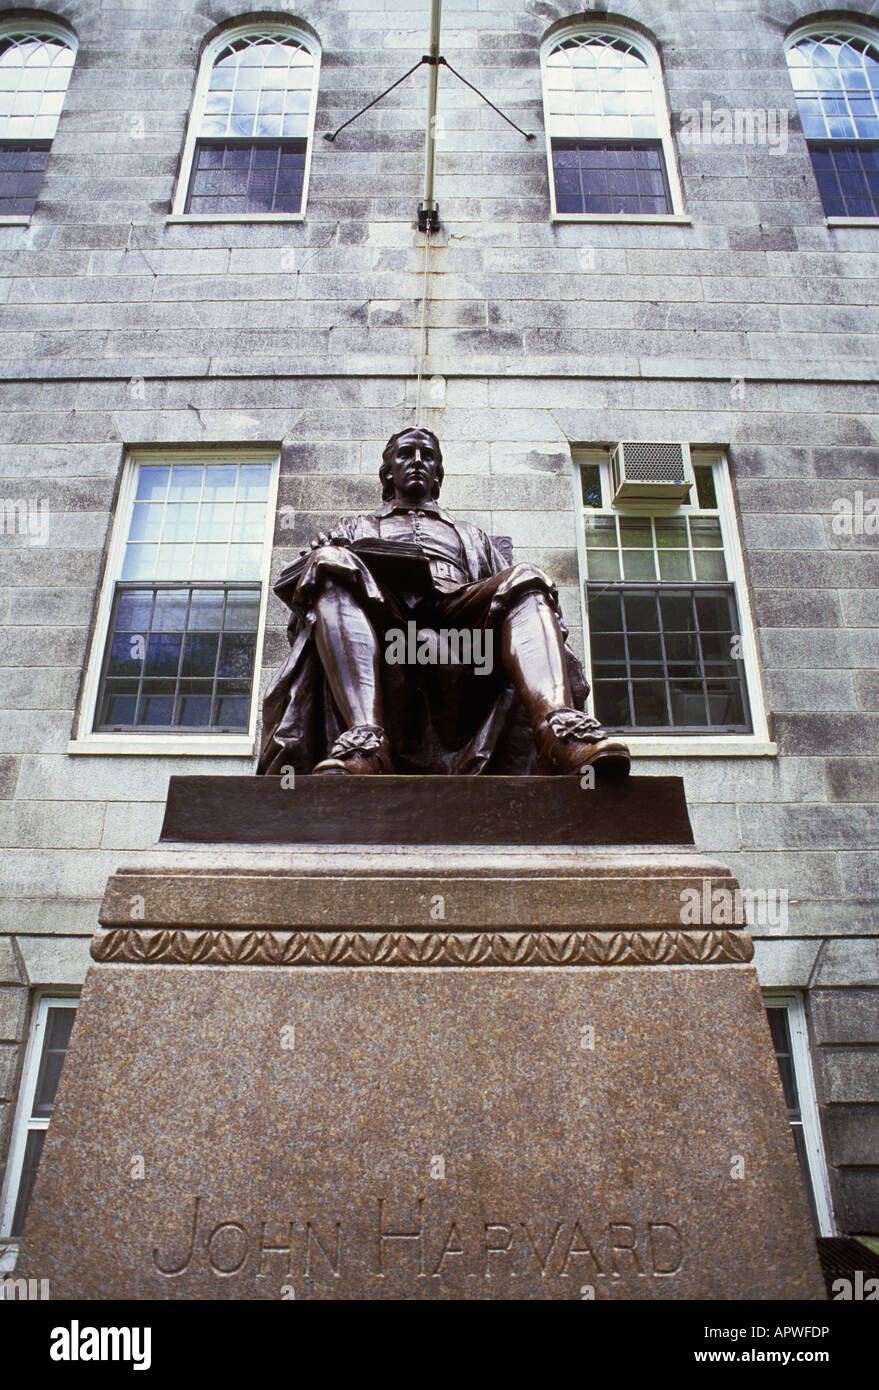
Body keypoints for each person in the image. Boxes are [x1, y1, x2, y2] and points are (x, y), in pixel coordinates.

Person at [258, 427, 630, 778]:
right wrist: (325, 551)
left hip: (462, 615)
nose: (417, 460)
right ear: (388, 472)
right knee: (330, 563)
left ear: (437, 472)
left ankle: (562, 733)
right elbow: (297, 589)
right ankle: (366, 743)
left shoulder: (472, 536)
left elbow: (509, 599)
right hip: (385, 616)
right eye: (406, 454)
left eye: (427, 455)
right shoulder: (356, 527)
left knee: (527, 577)